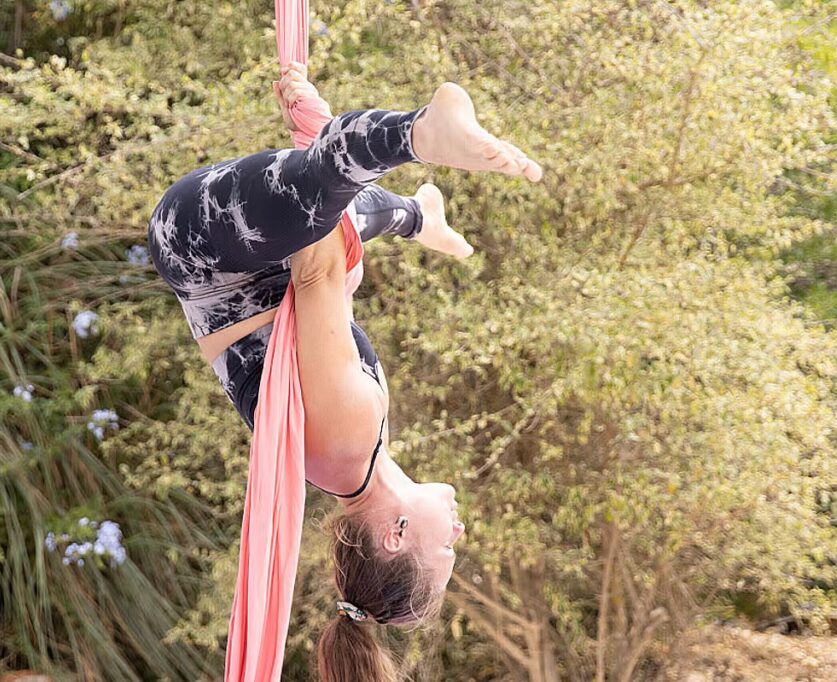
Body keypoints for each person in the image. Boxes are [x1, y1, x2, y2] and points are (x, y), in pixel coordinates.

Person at [146, 62, 542, 681]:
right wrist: (321, 139)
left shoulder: (347, 441)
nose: (460, 529)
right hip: (249, 254)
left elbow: (318, 271)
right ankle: (417, 216)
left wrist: (326, 147)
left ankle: (422, 137)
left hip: (206, 247)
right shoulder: (350, 461)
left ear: (396, 536)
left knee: (329, 207)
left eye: (446, 548)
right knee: (339, 208)